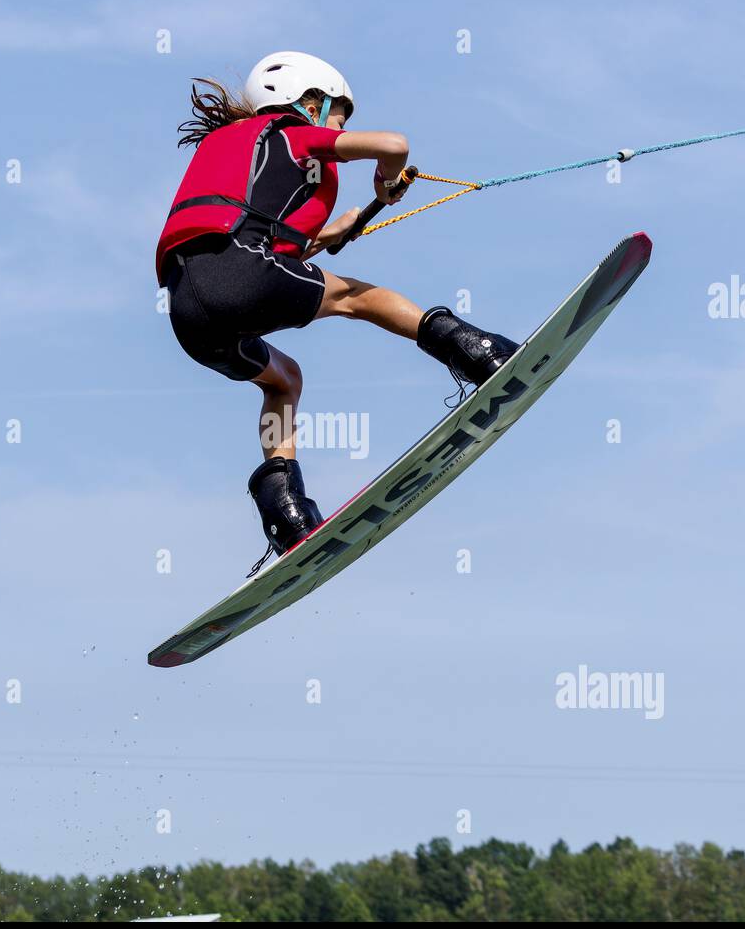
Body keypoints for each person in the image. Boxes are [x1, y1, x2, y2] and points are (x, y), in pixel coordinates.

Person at [156, 51, 518, 573]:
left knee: (284, 380)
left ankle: (287, 515)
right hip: (243, 275)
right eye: (338, 114)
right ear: (306, 101)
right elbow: (394, 146)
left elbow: (259, 244)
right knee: (358, 298)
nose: (341, 126)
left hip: (189, 310)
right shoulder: (291, 131)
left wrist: (329, 232)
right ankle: (480, 354)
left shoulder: (228, 147)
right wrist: (384, 182)